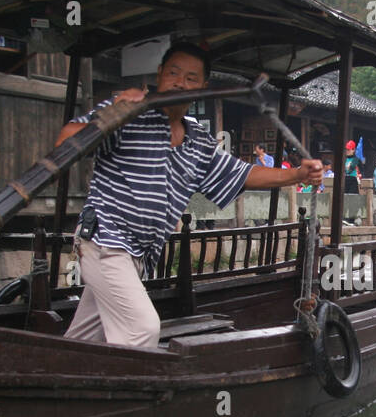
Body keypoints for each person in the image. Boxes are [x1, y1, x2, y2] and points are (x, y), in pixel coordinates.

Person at [54, 42, 322, 349]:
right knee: (141, 329)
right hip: (105, 241)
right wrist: (116, 112)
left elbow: (241, 174)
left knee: (83, 341)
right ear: (159, 75)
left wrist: (298, 175)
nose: (180, 83)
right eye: (173, 74)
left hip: (137, 254)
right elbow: (66, 142)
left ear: (203, 87)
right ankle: (133, 395)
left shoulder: (197, 140)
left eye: (191, 78)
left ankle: (46, 385)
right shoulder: (131, 112)